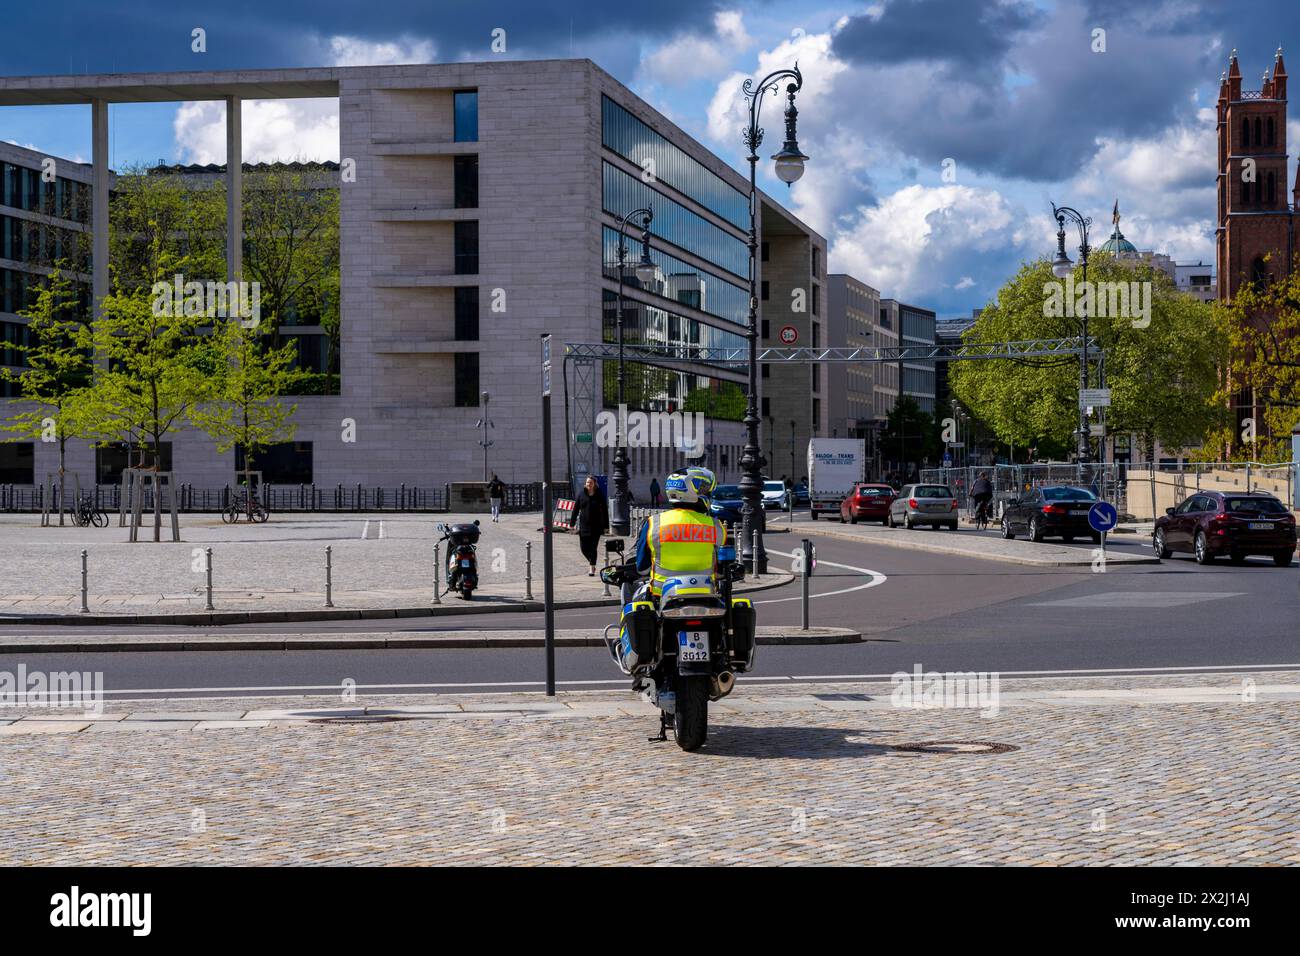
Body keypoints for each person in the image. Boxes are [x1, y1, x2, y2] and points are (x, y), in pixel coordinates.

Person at [632, 466, 725, 601]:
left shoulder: (654, 524)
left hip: (662, 596)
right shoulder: (715, 526)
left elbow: (642, 568)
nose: (708, 495)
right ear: (692, 491)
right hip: (705, 594)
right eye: (704, 490)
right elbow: (722, 568)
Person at [572, 475, 609, 576]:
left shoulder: (599, 495)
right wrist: (572, 523)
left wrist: (606, 526)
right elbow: (575, 509)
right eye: (588, 482)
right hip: (583, 526)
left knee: (593, 548)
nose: (589, 484)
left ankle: (591, 567)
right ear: (585, 483)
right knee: (583, 548)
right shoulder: (581, 495)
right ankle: (591, 561)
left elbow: (605, 511)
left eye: (591, 483)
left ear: (594, 484)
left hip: (596, 526)